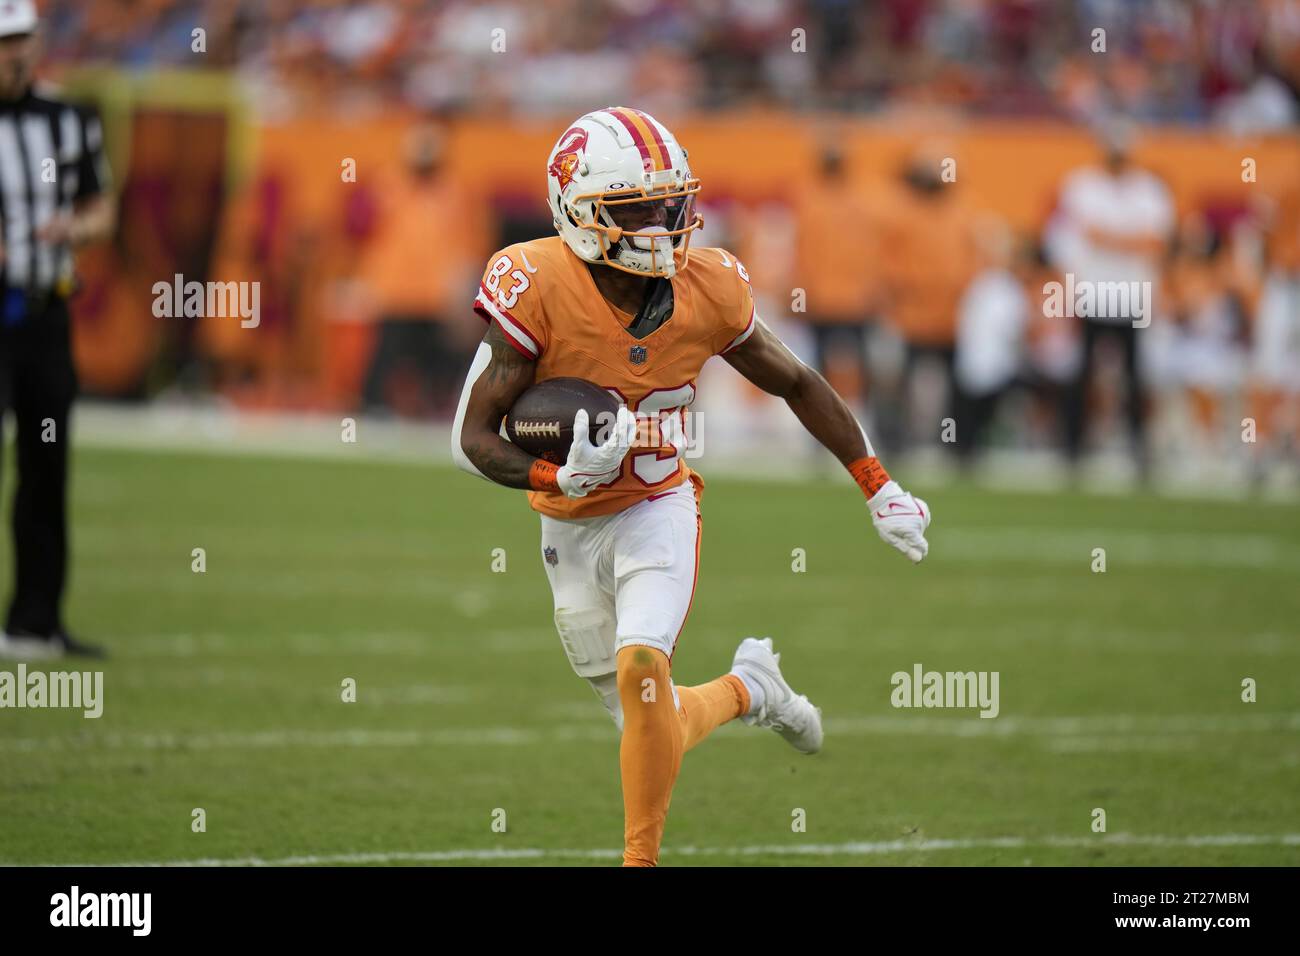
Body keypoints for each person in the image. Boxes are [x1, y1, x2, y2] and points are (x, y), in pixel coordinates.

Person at [451, 108, 932, 867]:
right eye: (637, 209)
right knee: (654, 721)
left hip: (656, 506)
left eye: (671, 204)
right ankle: (751, 690)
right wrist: (554, 473)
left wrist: (877, 484)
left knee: (644, 670)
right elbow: (470, 438)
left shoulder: (709, 285)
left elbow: (798, 382)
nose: (663, 225)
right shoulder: (536, 280)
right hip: (568, 525)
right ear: (578, 214)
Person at [0, 0, 114, 660]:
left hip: (43, 312)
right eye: (3, 40)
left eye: (20, 38)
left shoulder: (66, 119)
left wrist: (76, 229)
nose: (14, 52)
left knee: (47, 467)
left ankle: (34, 621)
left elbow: (100, 206)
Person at [1044, 121, 1174, 473]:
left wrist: (1109, 238)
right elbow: (1080, 235)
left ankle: (1137, 445)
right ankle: (1073, 445)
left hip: (1132, 294)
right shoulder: (1082, 184)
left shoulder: (1149, 189)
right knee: (1082, 372)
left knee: (1135, 374)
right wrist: (1127, 240)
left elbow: (1154, 241)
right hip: (1092, 292)